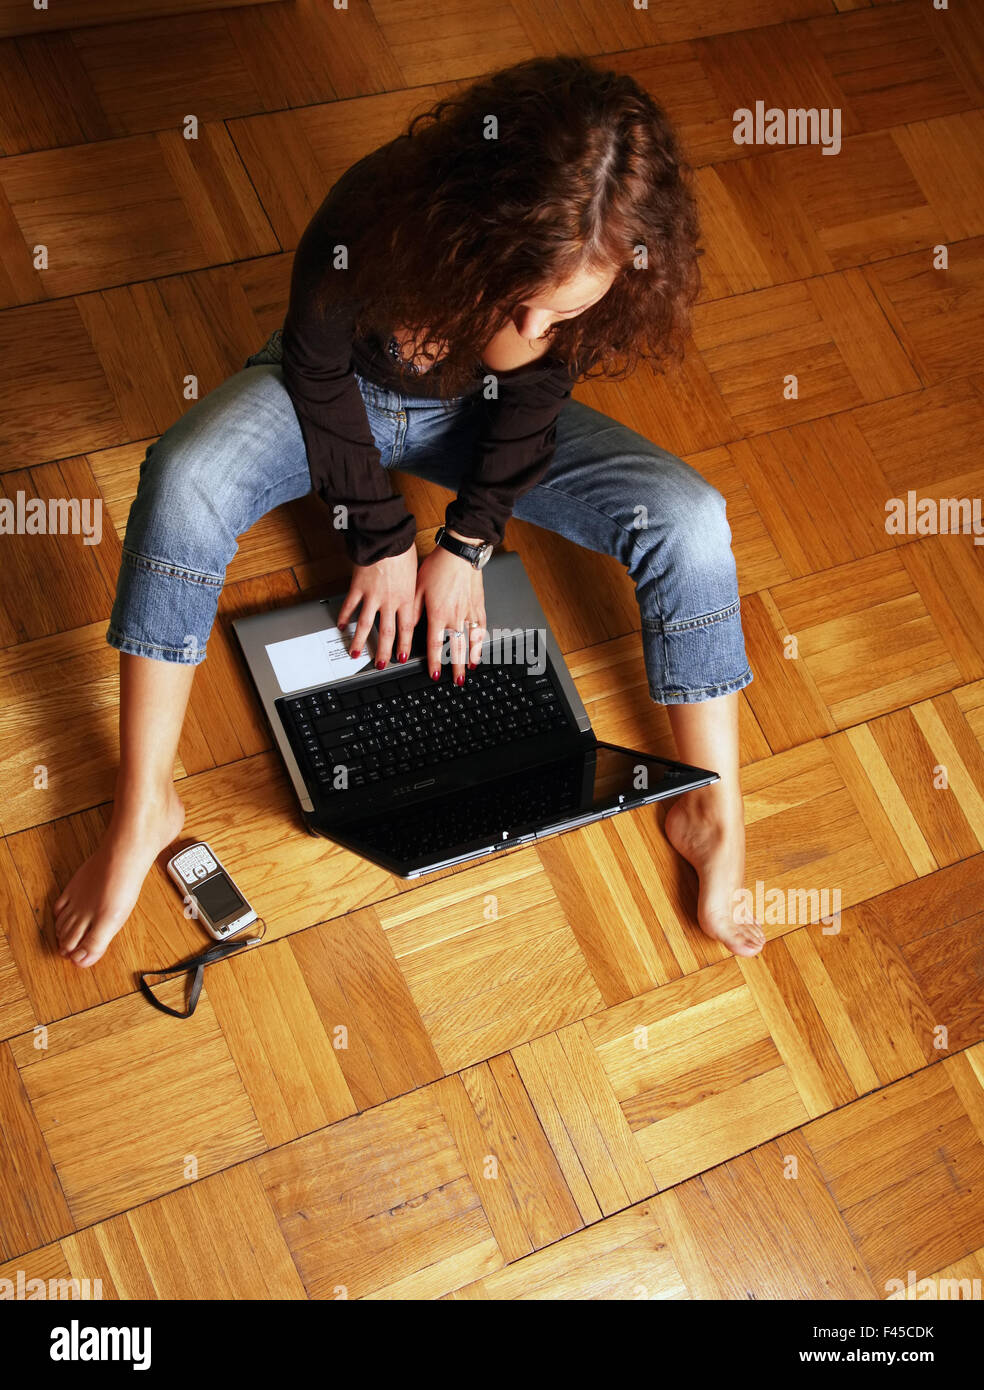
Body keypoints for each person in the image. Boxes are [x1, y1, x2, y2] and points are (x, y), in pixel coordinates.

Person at [53, 55, 766, 968]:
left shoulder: (587, 279)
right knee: (186, 476)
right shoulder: (371, 213)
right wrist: (378, 535)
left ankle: (711, 807)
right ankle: (145, 800)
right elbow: (313, 370)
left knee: (691, 518)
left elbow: (530, 407)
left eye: (565, 318)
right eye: (534, 311)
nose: (549, 333)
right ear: (478, 247)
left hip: (483, 421)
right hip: (335, 394)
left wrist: (466, 543)